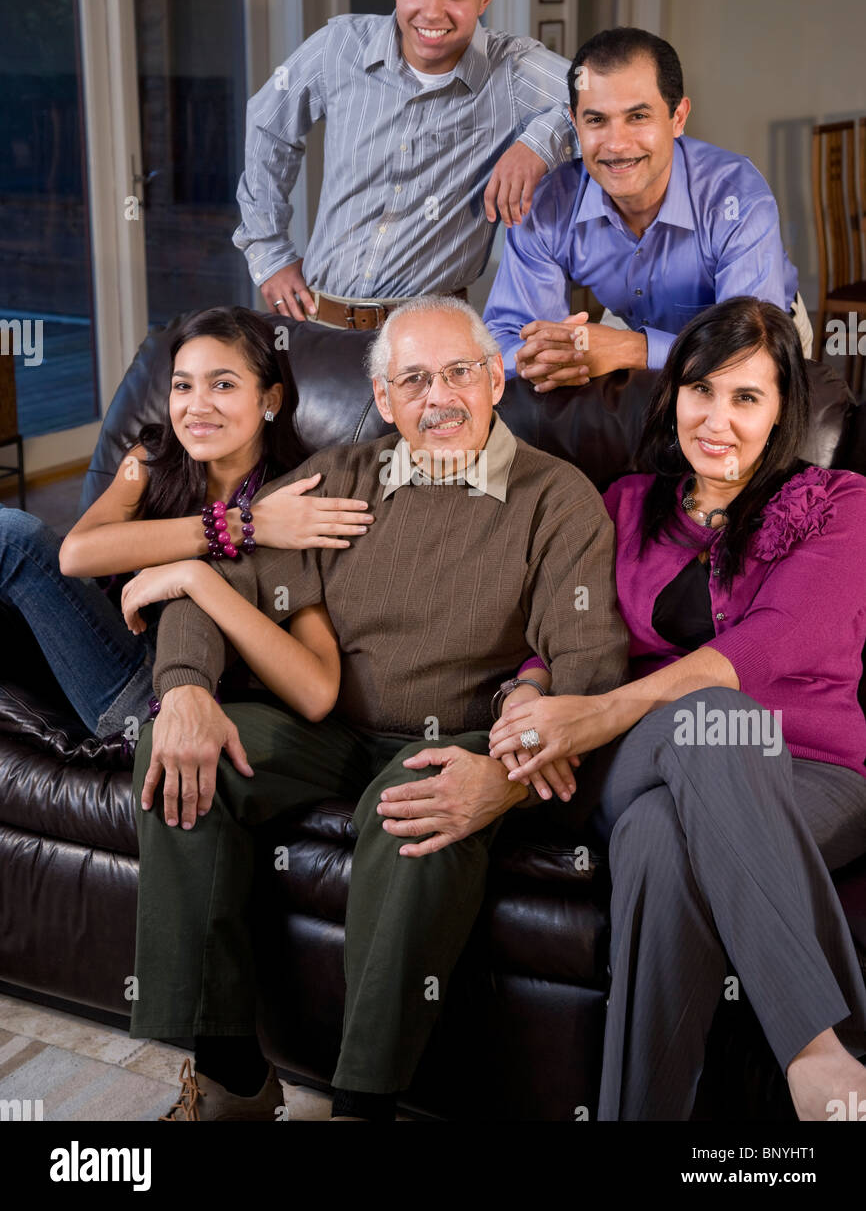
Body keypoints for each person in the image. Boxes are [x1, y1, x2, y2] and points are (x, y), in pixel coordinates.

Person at [123, 295, 629, 1121]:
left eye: (460, 372)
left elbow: (587, 666)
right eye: (415, 381)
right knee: (177, 749)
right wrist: (181, 687)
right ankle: (234, 1078)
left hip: (458, 736)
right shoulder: (346, 477)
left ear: (496, 378)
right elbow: (220, 583)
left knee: (414, 810)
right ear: (385, 400)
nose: (441, 398)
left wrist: (504, 772)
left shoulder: (555, 497)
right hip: (329, 733)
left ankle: (363, 1106)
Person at [489, 297, 866, 1121]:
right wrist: (528, 699)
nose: (717, 419)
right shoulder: (624, 505)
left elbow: (769, 646)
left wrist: (599, 713)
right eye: (701, 390)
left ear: (783, 411)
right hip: (643, 756)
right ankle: (822, 1054)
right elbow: (562, 632)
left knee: (662, 838)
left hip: (811, 773)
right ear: (674, 396)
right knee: (709, 729)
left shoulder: (842, 504)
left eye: (746, 397)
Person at [0, 307, 371, 744]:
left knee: (10, 535)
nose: (197, 406)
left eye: (223, 385)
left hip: (163, 700)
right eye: (182, 385)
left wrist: (193, 575)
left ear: (270, 400)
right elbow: (76, 553)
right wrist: (240, 525)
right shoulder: (150, 461)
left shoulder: (291, 503)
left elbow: (316, 693)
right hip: (89, 658)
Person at [233, 0, 576, 328]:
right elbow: (269, 126)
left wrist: (536, 145)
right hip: (319, 330)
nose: (432, 12)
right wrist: (269, 253)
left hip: (433, 342)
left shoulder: (513, 70)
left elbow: (604, 96)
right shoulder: (338, 46)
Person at [483, 26, 814, 387]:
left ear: (678, 118)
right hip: (630, 325)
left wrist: (631, 350)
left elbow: (746, 351)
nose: (616, 144)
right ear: (574, 123)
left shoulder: (737, 199)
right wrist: (541, 357)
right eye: (596, 120)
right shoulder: (549, 202)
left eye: (638, 117)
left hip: (756, 340)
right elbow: (506, 334)